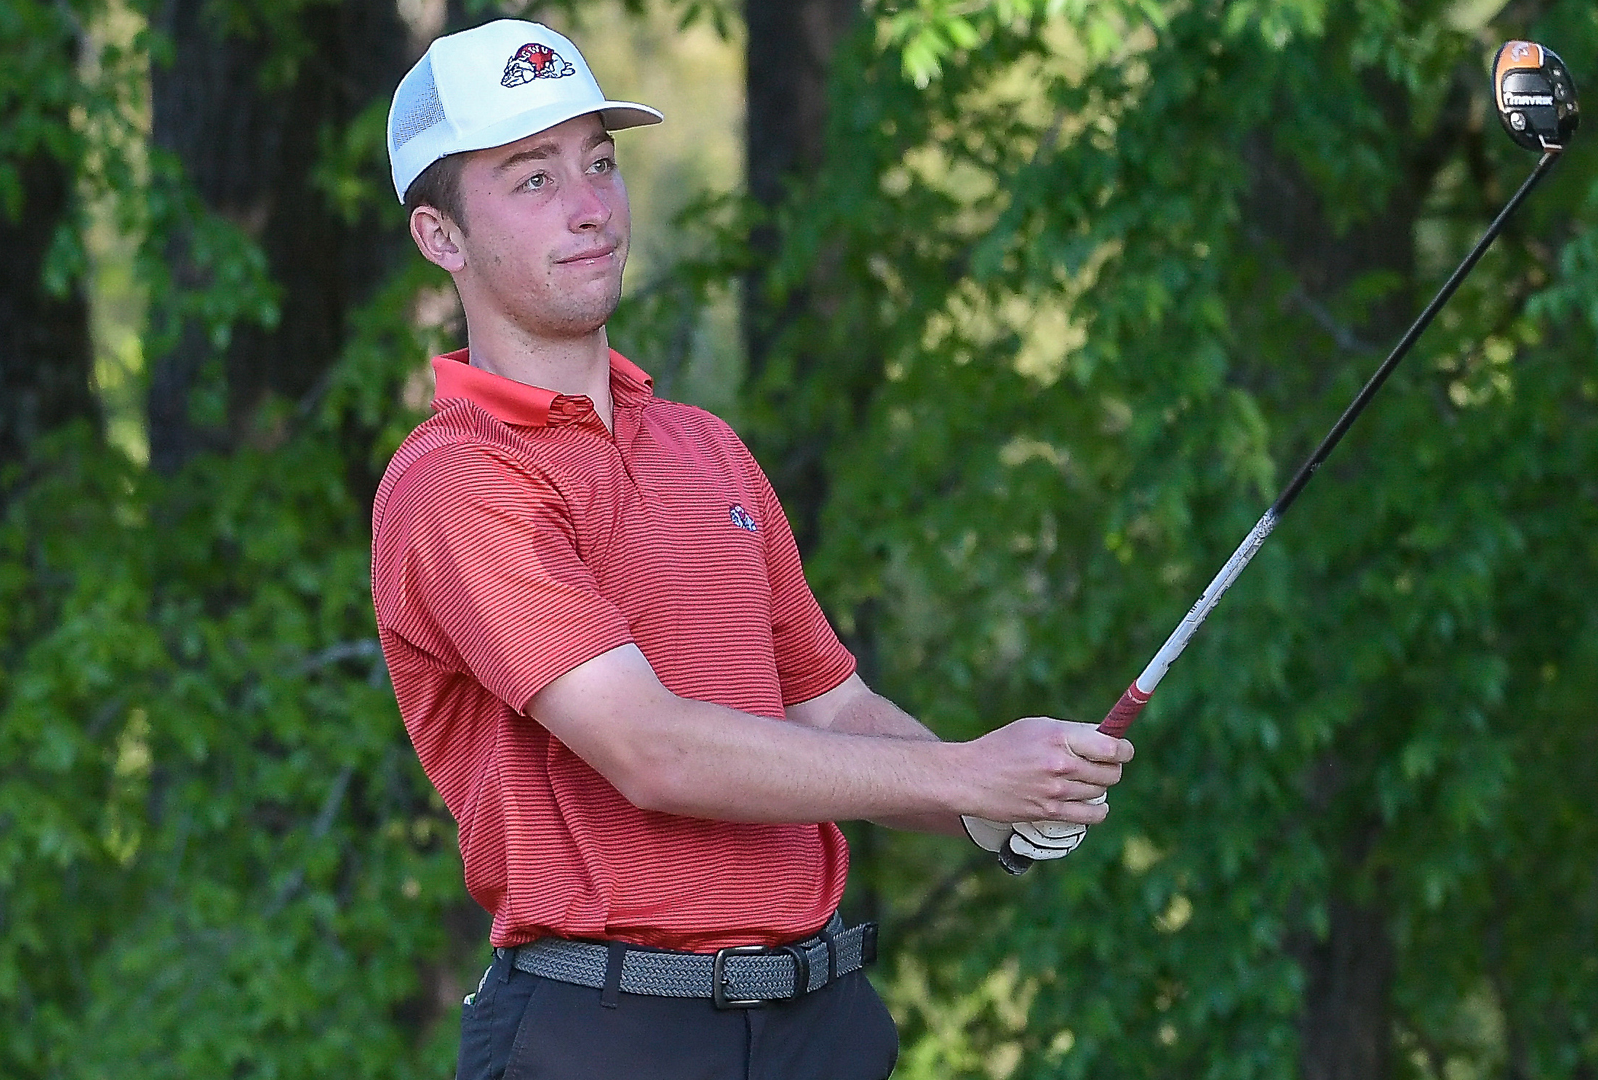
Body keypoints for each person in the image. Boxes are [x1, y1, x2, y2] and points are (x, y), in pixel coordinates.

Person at [371, 19, 1133, 1080]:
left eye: (600, 163)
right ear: (440, 239)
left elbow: (831, 705)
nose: (590, 206)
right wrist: (966, 772)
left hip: (816, 1022)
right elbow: (651, 750)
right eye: (532, 178)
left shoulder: (706, 448)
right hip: (608, 1030)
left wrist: (984, 805)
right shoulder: (459, 478)